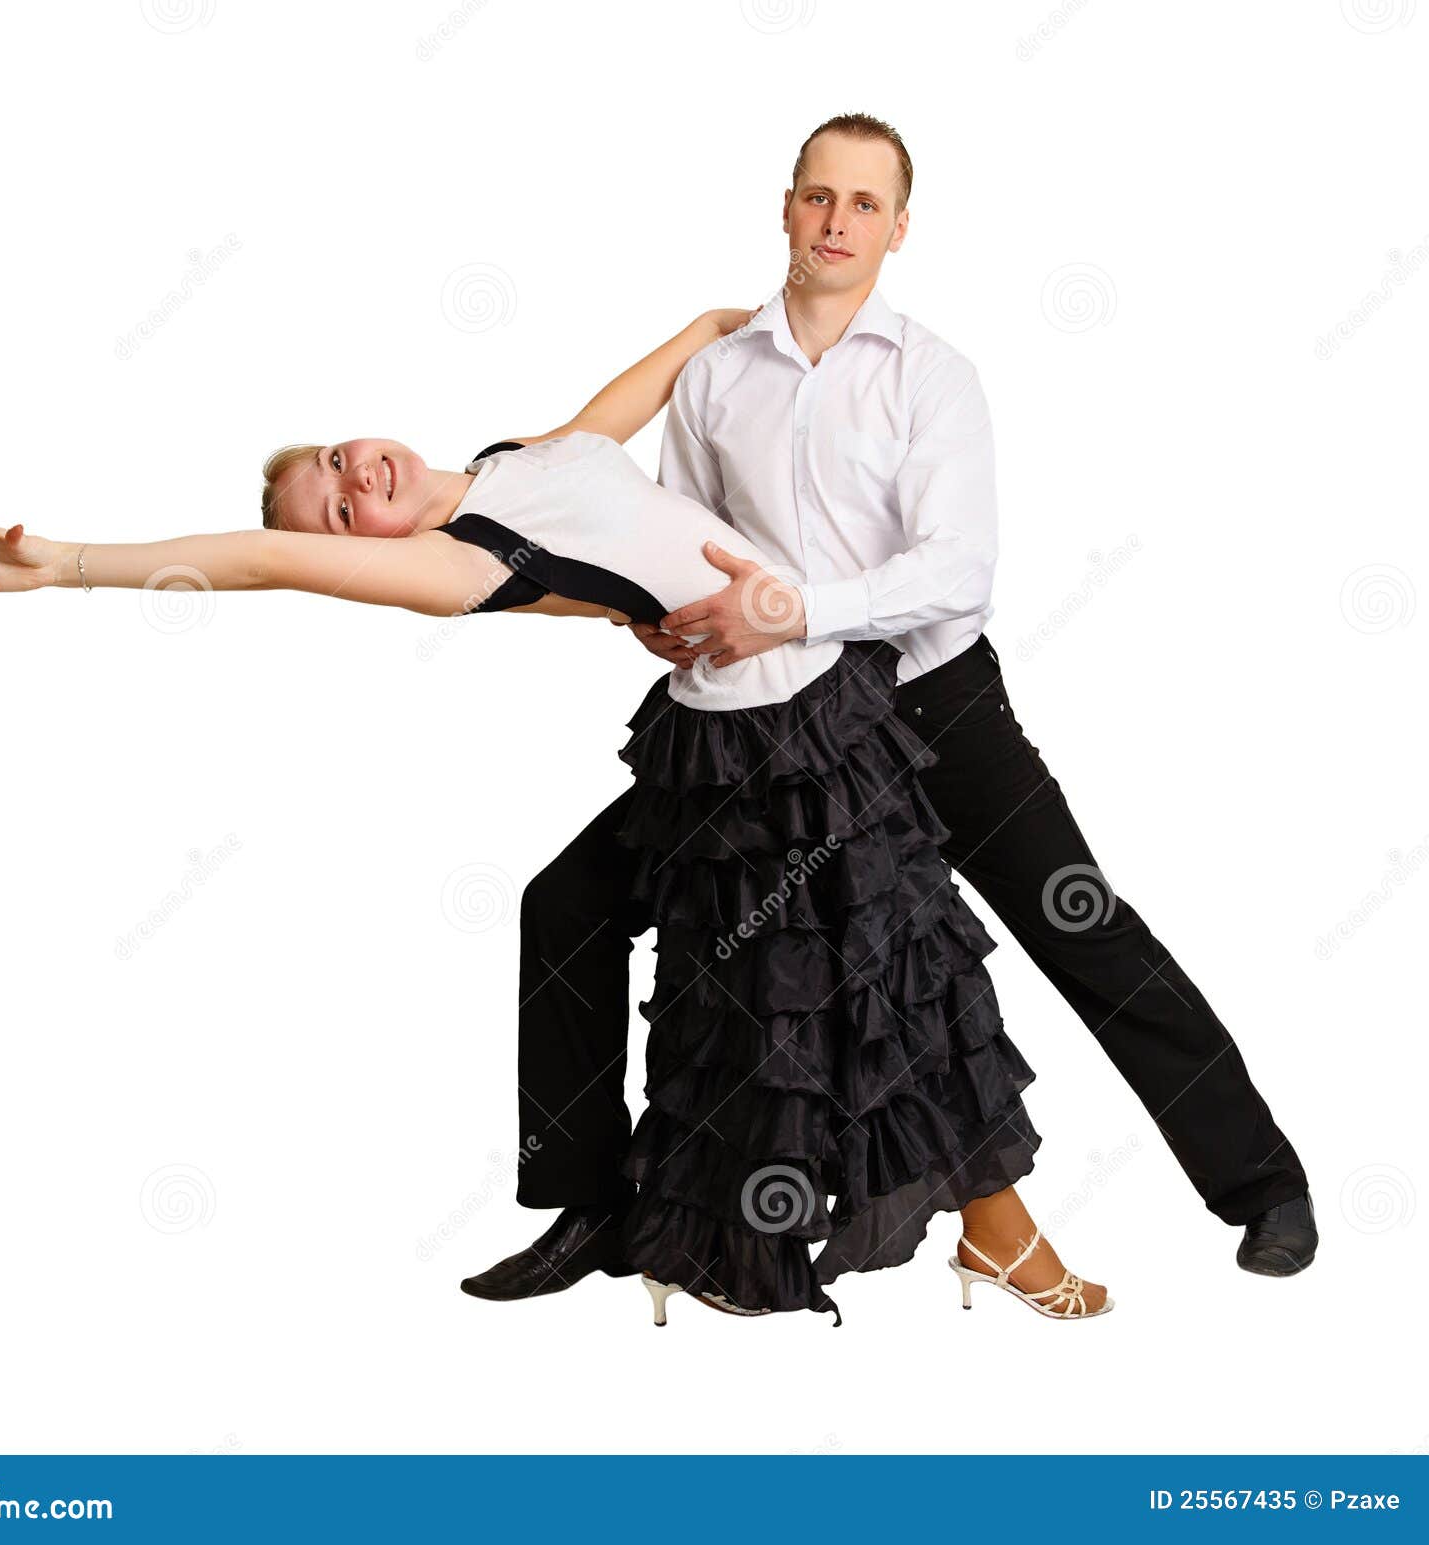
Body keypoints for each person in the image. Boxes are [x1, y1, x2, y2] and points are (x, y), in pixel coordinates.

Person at [0, 320, 1113, 1322]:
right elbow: (258, 561)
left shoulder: (512, 460)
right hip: (753, 739)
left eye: (338, 458)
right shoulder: (452, 560)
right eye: (335, 511)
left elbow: (654, 392)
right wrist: (65, 562)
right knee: (823, 976)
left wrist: (748, 324)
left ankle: (986, 1237)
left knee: (869, 969)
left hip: (795, 701)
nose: (354, 482)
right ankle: (616, 1210)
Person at [464, 112, 1315, 1307]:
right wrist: (668, 619)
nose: (835, 221)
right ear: (784, 207)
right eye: (818, 196)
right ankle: (593, 1208)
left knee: (1077, 923)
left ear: (899, 228)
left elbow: (953, 570)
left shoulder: (931, 374)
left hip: (931, 704)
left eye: (863, 204)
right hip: (776, 733)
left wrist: (794, 609)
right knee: (568, 904)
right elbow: (690, 541)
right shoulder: (711, 380)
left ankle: (1261, 1184)